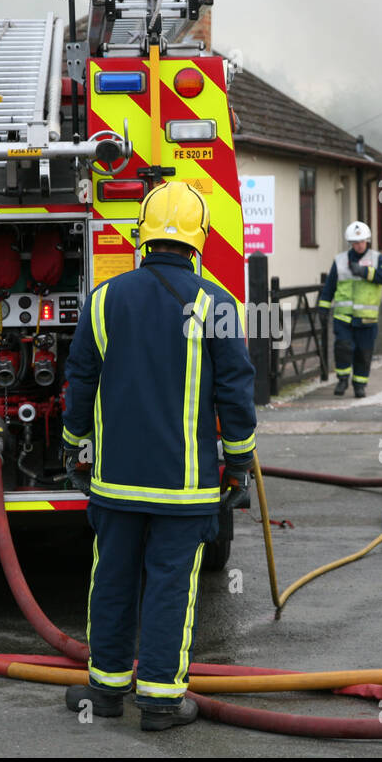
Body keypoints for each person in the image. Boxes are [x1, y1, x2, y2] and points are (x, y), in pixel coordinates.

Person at [60, 180, 257, 731]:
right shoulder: (217, 305)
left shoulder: (103, 299)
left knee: (113, 580)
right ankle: (161, 703)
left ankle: (104, 692)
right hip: (185, 487)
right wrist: (239, 463)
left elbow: (80, 383)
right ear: (199, 243)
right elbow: (236, 392)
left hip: (116, 483)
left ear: (141, 239)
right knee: (172, 585)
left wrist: (74, 447)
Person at [318, 221, 382, 398]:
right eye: (355, 242)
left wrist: (365, 271)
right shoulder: (340, 260)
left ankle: (359, 385)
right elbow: (330, 286)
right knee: (343, 347)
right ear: (350, 243)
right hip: (343, 317)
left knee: (363, 353)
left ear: (367, 241)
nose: (359, 245)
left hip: (367, 319)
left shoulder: (378, 259)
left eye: (362, 242)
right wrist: (323, 308)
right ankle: (343, 379)